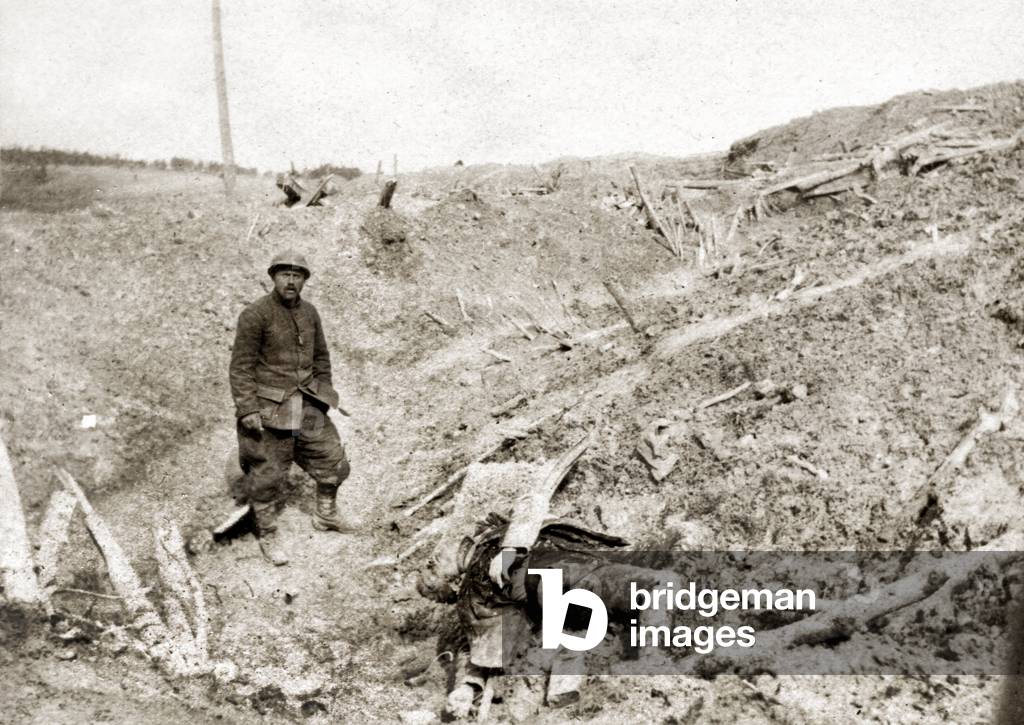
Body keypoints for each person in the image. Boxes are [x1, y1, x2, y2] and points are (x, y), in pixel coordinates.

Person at [229, 250, 354, 566]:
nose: (291, 281)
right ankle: (268, 534)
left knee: (333, 460)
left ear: (304, 281)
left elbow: (322, 357)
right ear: (273, 277)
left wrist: (323, 394)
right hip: (270, 413)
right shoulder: (255, 315)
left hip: (309, 407)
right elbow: (241, 367)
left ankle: (326, 515)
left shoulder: (310, 313)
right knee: (267, 475)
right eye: (285, 274)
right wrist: (248, 410)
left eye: (298, 276)